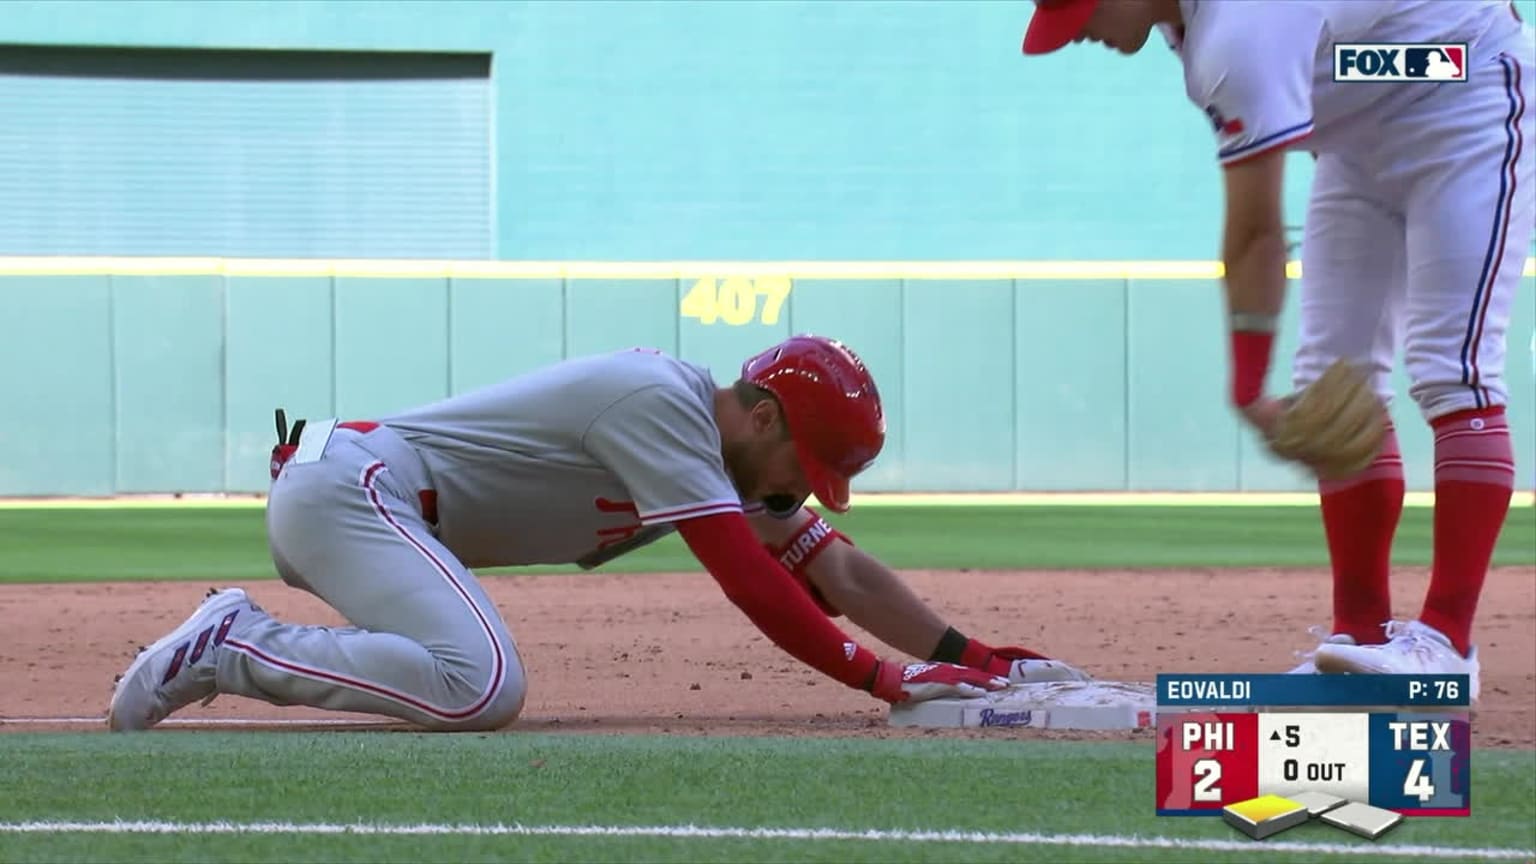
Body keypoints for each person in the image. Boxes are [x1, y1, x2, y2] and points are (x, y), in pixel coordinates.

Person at [107, 334, 1087, 731]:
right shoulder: (660, 404)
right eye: (808, 467)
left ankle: (236, 642)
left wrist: (972, 658)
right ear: (764, 419)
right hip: (352, 487)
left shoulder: (714, 460)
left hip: (365, 500)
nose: (804, 494)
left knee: (464, 673)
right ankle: (235, 643)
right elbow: (752, 583)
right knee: (481, 685)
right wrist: (881, 680)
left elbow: (841, 574)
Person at [1020, 0, 1534, 699]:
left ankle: (1447, 644)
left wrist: (1246, 387)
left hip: (1471, 103)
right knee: (1335, 381)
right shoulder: (1204, 29)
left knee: (1455, 369)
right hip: (1366, 135)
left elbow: (1257, 233)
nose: (1077, 31)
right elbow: (1351, 60)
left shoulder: (1236, 35)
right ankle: (1361, 635)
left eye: (1080, 10)